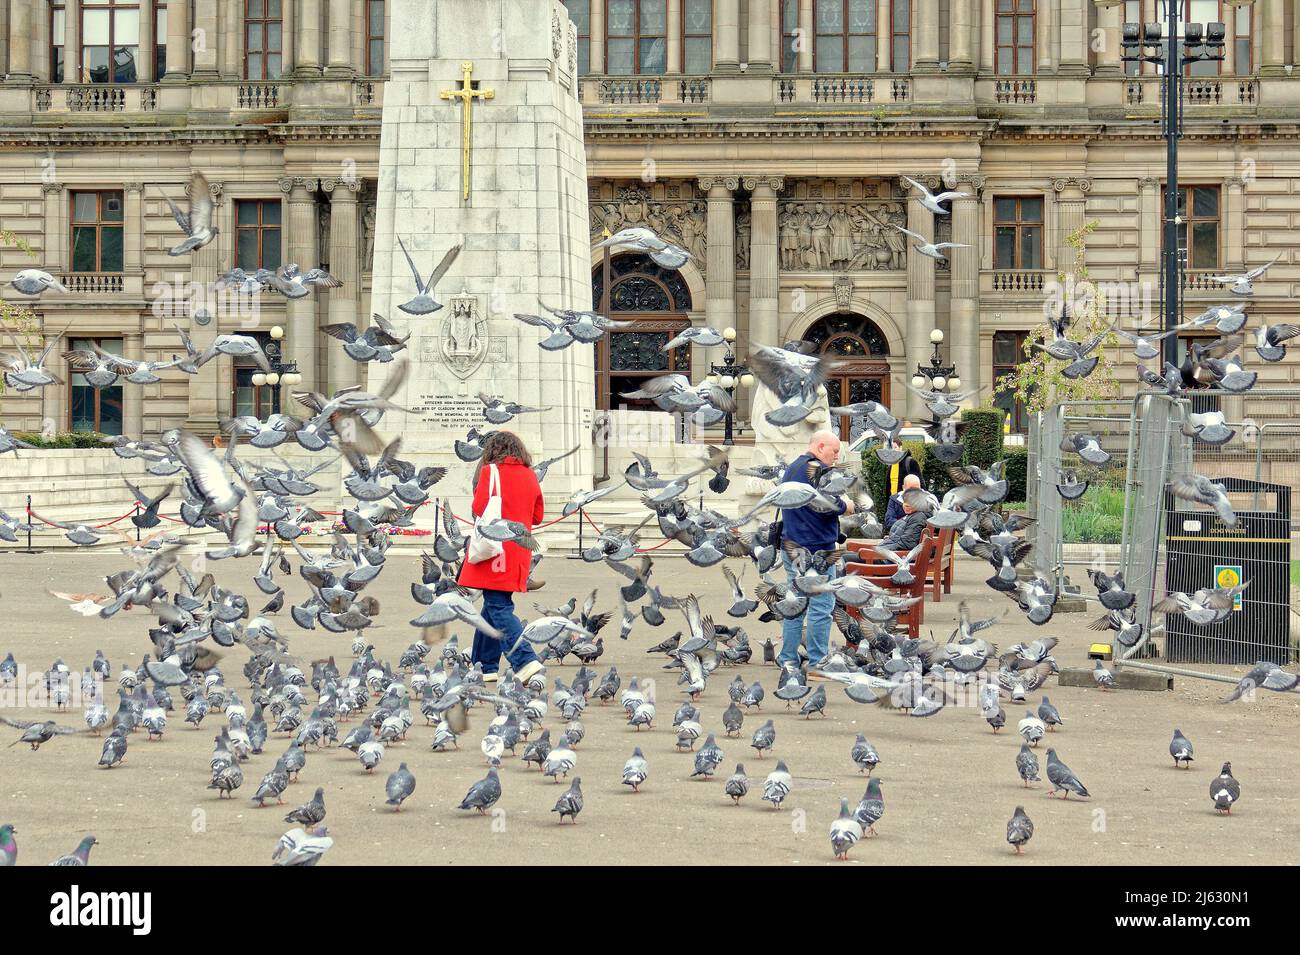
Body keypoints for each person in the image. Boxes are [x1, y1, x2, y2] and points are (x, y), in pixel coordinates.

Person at [456, 431, 547, 684]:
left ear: (492, 451)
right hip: (517, 550)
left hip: (494, 550)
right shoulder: (530, 475)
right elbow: (538, 516)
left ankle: (525, 659)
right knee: (492, 605)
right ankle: (485, 665)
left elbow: (477, 508)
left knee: (499, 606)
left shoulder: (490, 472)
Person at [778, 430, 854, 669]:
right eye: (834, 452)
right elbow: (826, 503)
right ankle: (817, 659)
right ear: (821, 447)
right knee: (821, 607)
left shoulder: (792, 468)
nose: (836, 457)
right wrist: (846, 506)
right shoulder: (818, 469)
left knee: (795, 605)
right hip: (817, 551)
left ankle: (788, 658)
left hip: (792, 546)